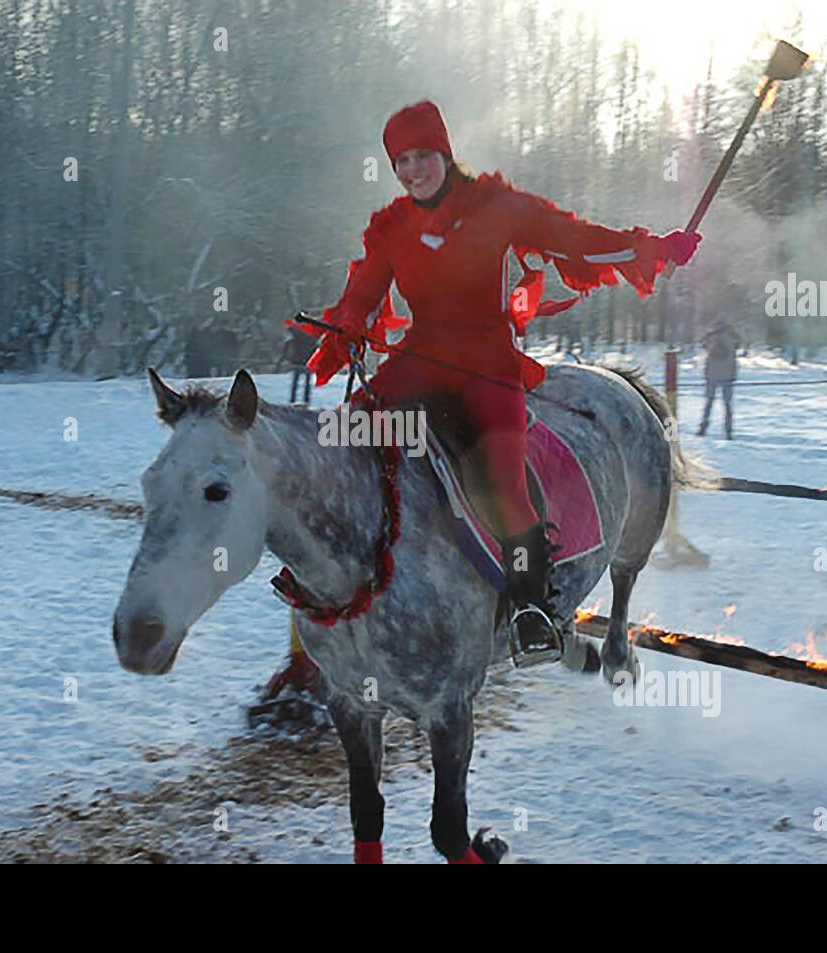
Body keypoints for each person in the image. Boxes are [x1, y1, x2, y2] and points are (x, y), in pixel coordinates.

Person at [288, 100, 700, 667]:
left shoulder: (496, 206)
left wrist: (651, 248)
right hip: (416, 363)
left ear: (444, 152)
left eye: (422, 155)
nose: (412, 169)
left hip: (486, 367)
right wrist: (349, 325)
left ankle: (531, 607)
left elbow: (575, 240)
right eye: (401, 160)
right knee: (344, 436)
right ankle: (334, 576)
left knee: (502, 480)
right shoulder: (391, 227)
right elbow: (362, 294)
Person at [698, 317, 741, 439]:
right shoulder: (732, 337)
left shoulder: (711, 337)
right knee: (727, 405)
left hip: (712, 374)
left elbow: (702, 344)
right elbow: (740, 344)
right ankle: (728, 431)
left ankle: (703, 428)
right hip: (728, 375)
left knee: (708, 403)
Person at [283, 324, 313, 404]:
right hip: (307, 358)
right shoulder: (311, 332)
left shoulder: (295, 331)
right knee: (306, 382)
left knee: (296, 381)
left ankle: (293, 400)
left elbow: (289, 343)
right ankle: (306, 400)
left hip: (298, 358)